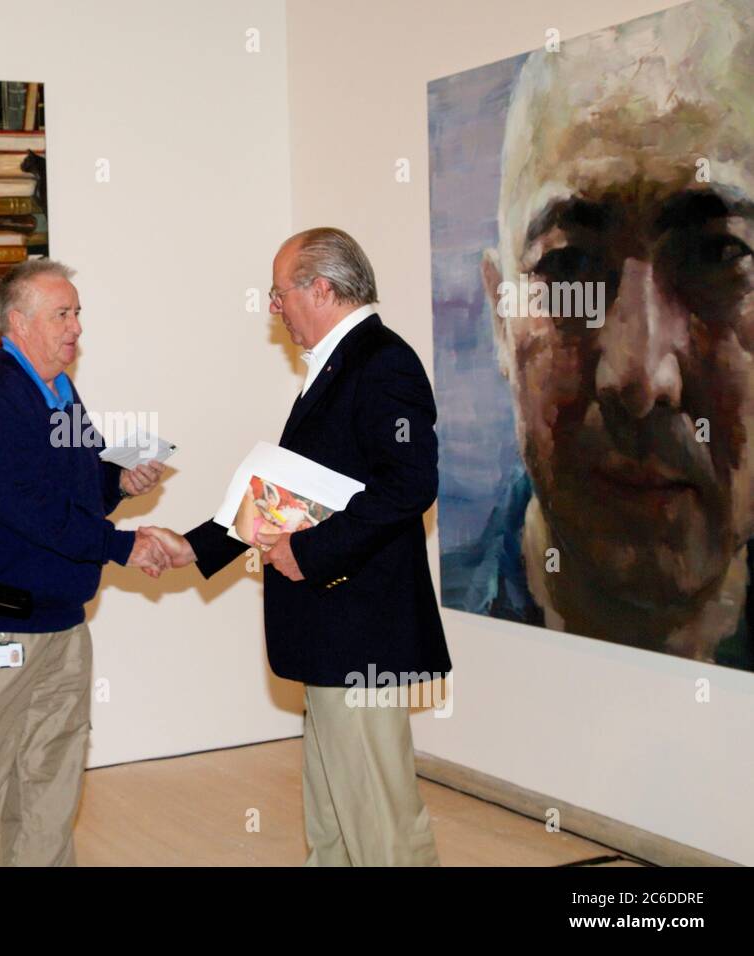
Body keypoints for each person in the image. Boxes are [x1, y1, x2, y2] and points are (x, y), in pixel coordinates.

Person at [442, 0, 754, 669]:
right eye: (569, 264)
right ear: (503, 319)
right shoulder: (442, 614)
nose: (639, 377)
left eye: (717, 255)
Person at [142, 228, 450, 866]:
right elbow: (285, 494)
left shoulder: (381, 362)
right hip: (333, 632)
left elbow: (410, 484)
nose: (273, 310)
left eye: (280, 295)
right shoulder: (341, 365)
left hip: (359, 629)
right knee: (336, 815)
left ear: (324, 289)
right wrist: (196, 548)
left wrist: (310, 554)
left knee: (379, 820)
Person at [0, 258, 167, 866]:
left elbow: (69, 492)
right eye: (63, 314)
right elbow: (21, 505)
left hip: (59, 623)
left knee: (51, 784)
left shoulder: (57, 389)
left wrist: (117, 482)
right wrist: (121, 545)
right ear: (18, 322)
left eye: (77, 312)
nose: (76, 326)